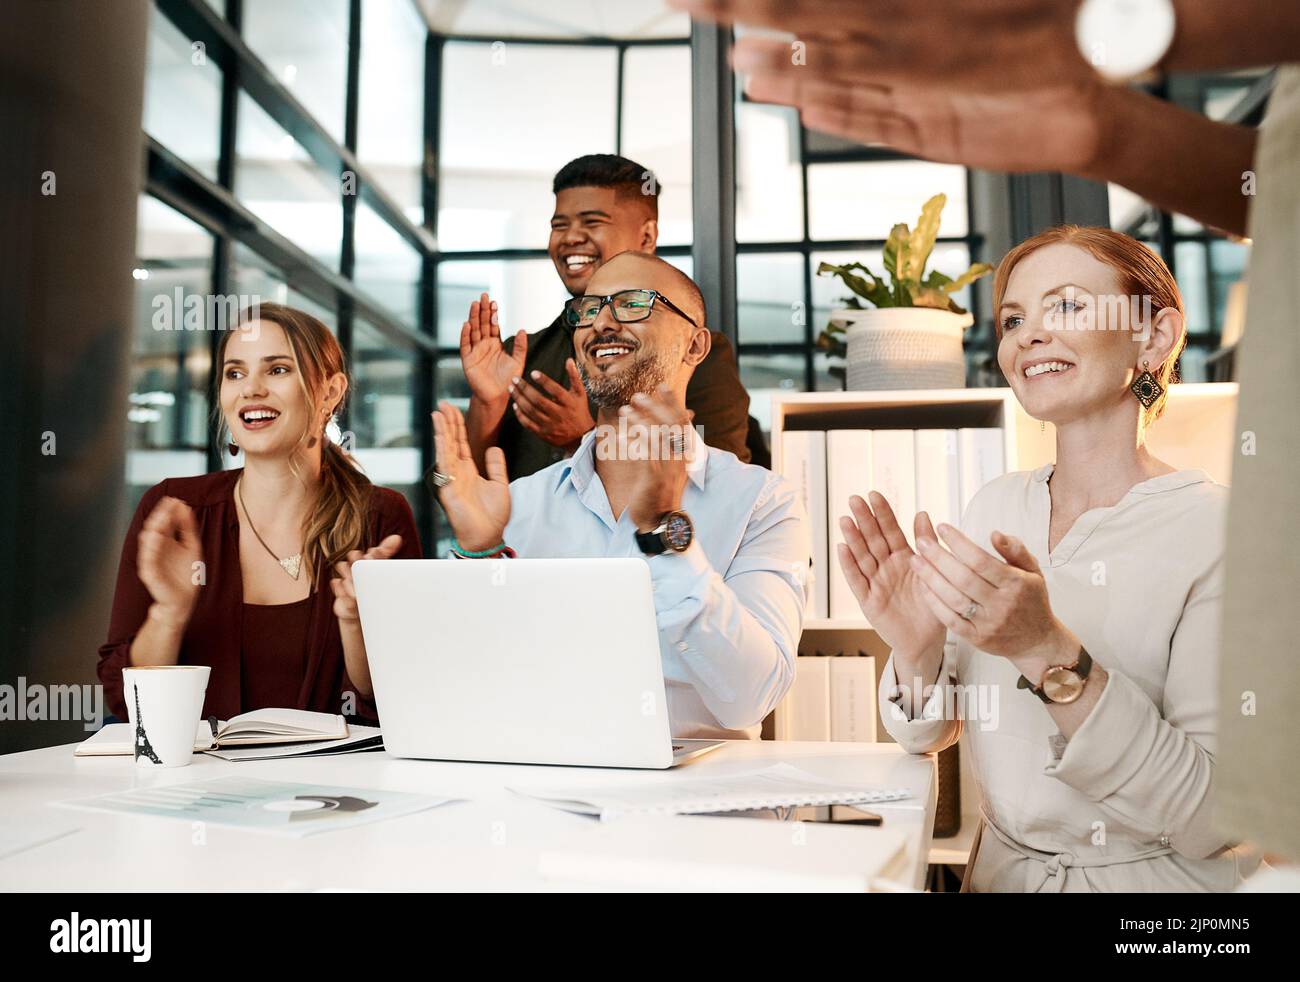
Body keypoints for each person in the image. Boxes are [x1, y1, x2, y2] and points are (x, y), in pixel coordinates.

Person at [836, 227, 1258, 891]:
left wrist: (1044, 650)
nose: (1026, 335)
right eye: (1013, 319)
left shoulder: (1224, 532)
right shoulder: (995, 506)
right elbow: (930, 735)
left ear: (1153, 336)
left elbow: (1214, 819)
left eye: (1065, 307)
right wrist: (917, 651)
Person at [429, 252, 808, 740]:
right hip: (540, 788)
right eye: (587, 310)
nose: (600, 322)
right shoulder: (516, 506)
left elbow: (751, 699)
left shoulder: (762, 501)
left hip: (696, 803)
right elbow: (466, 687)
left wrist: (666, 535)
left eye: (633, 303)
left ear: (695, 345)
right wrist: (480, 552)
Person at [97, 303, 421, 724]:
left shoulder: (379, 516)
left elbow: (396, 698)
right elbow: (126, 701)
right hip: (197, 785)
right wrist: (169, 612)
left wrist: (358, 623)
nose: (250, 389)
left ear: (330, 392)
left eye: (277, 370)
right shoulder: (175, 511)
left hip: (332, 784)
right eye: (235, 373)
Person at [450, 153, 753, 484]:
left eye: (592, 222)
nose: (570, 238)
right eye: (559, 225)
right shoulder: (519, 356)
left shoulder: (685, 349)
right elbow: (460, 493)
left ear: (647, 237)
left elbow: (717, 478)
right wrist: (487, 406)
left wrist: (585, 438)